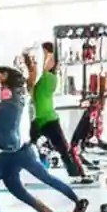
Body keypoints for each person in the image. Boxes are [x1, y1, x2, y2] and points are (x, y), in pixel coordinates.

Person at [0, 66, 88, 212]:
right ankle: (49, 209)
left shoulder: (11, 97)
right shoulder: (18, 93)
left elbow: (2, 116)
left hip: (15, 150)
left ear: (7, 76)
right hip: (19, 148)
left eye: (0, 75)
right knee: (15, 184)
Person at [26, 44, 86, 178]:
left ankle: (77, 174)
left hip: (49, 119)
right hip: (36, 121)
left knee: (64, 150)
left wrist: (46, 57)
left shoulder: (50, 79)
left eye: (48, 58)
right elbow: (31, 80)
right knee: (26, 149)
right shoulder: (36, 77)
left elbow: (43, 68)